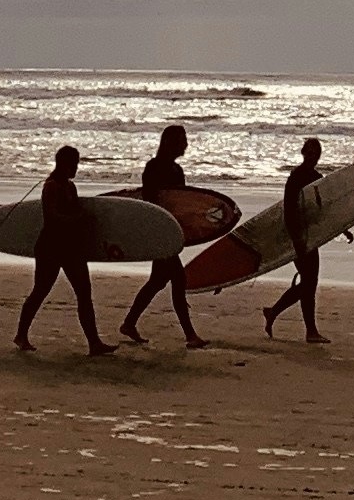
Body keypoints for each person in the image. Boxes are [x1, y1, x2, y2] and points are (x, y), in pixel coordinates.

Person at [118, 122, 211, 350]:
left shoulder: (177, 170)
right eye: (182, 141)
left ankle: (129, 323)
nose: (186, 145)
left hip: (172, 233)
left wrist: (185, 232)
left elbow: (182, 203)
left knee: (158, 281)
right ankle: (190, 335)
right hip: (159, 232)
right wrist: (159, 232)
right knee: (178, 279)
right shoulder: (153, 167)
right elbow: (151, 203)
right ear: (170, 143)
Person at [15, 144, 114, 356]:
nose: (76, 168)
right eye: (74, 164)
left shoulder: (70, 186)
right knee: (41, 291)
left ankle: (94, 343)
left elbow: (76, 212)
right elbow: (52, 218)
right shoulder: (51, 187)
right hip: (50, 247)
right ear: (64, 164)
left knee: (84, 293)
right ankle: (21, 335)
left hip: (71, 247)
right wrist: (78, 219)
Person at [262, 134, 329, 343]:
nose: (313, 156)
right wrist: (296, 240)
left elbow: (321, 209)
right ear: (303, 153)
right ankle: (309, 330)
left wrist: (343, 228)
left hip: (310, 237)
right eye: (310, 152)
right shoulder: (296, 177)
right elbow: (289, 210)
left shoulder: (317, 177)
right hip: (297, 238)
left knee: (309, 283)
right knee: (309, 283)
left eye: (316, 153)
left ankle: (275, 312)